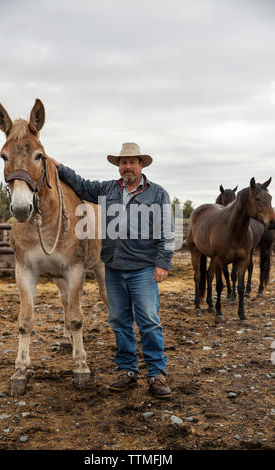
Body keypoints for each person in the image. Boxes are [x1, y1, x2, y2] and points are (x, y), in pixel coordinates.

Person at [52, 143, 174, 398]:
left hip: (143, 268)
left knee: (149, 322)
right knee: (119, 321)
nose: (127, 167)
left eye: (131, 162)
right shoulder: (107, 189)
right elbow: (81, 184)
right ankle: (127, 370)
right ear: (119, 166)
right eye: (123, 163)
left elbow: (167, 231)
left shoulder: (157, 194)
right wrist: (58, 166)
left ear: (141, 165)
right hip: (114, 268)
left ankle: (156, 374)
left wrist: (163, 263)